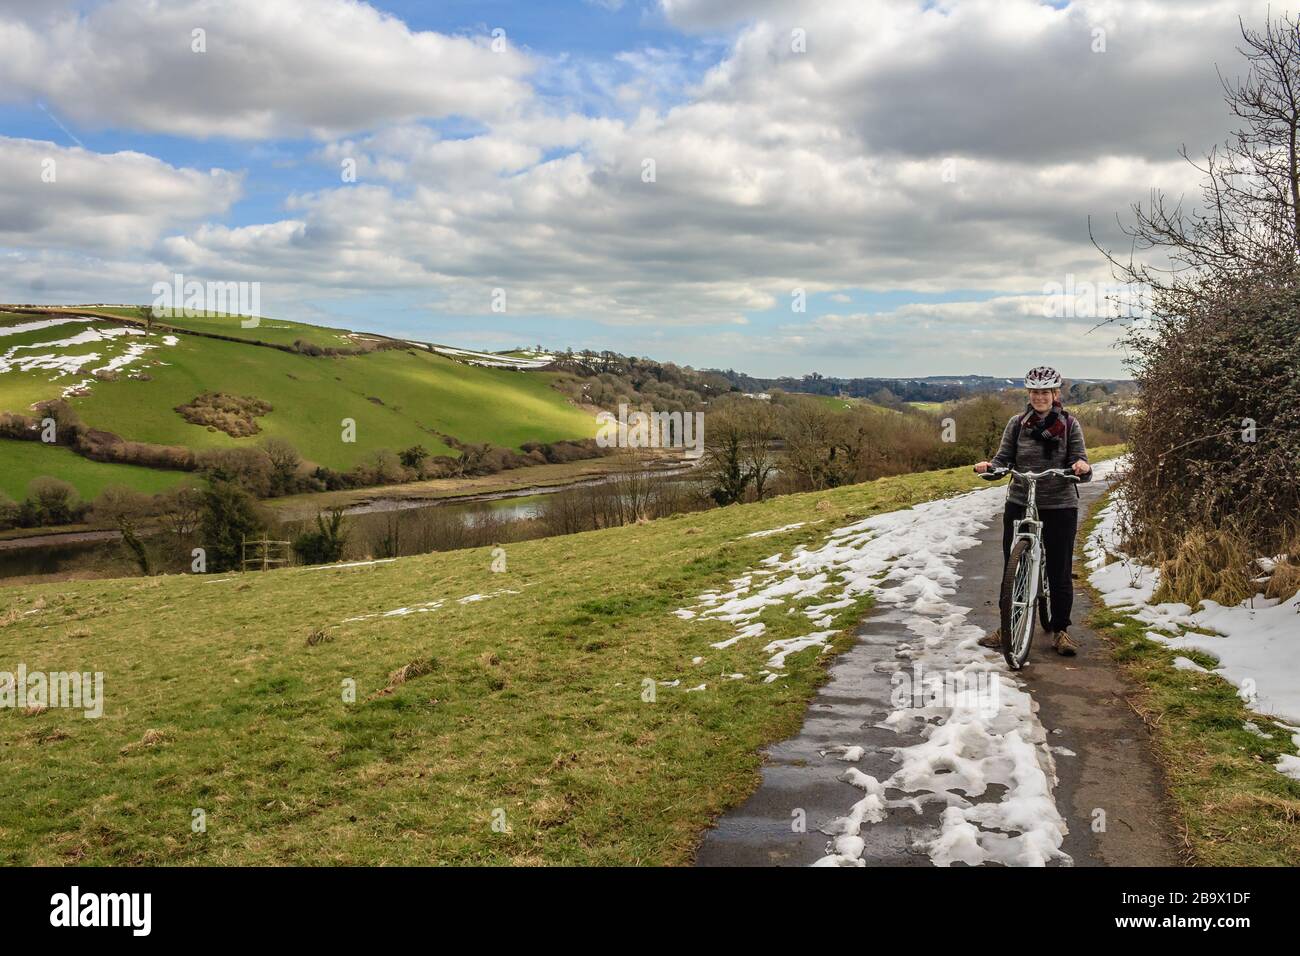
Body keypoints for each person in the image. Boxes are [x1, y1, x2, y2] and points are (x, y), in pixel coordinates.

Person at [972, 366, 1092, 655]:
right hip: (1021, 499)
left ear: (1055, 394)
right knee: (1012, 567)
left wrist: (1080, 467)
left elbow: (1081, 461)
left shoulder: (1070, 424)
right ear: (1029, 394)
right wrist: (991, 468)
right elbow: (1003, 460)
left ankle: (1061, 630)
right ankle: (1008, 627)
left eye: (1045, 392)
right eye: (1035, 392)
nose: (1040, 397)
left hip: (1059, 503)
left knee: (1059, 569)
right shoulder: (1017, 424)